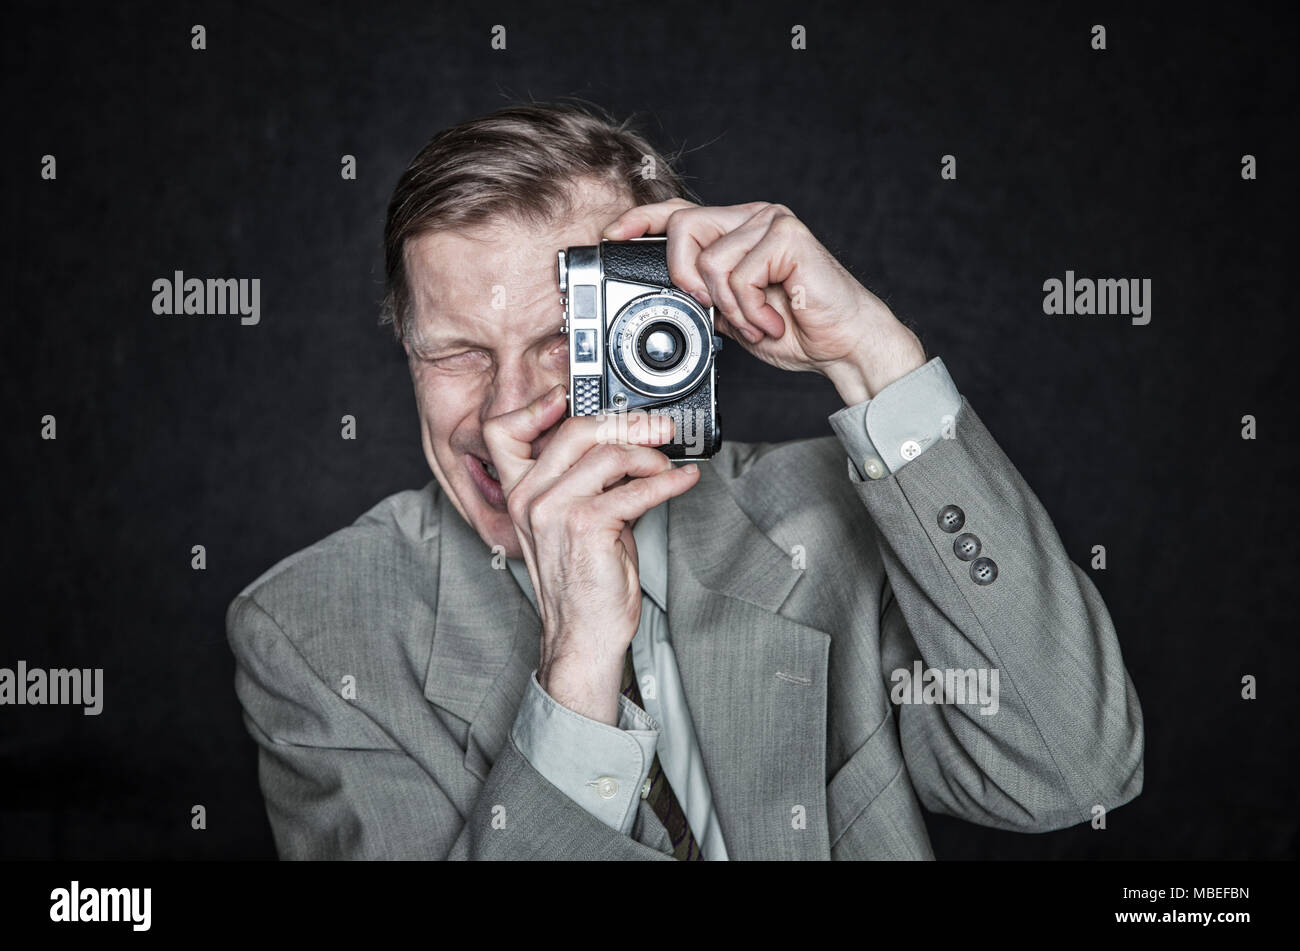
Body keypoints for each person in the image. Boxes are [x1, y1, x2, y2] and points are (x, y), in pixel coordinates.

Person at [226, 102, 1144, 860]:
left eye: (563, 339)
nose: (509, 410)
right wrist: (577, 668)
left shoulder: (837, 520)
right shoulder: (314, 629)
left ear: (676, 320)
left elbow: (1068, 773)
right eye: (457, 353)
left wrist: (875, 360)